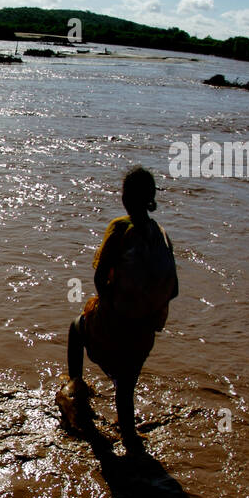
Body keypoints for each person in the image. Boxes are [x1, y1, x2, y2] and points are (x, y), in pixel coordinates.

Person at [63, 165, 178, 452]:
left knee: (77, 328)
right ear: (150, 198)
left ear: (126, 197)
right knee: (126, 385)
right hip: (146, 330)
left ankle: (77, 393)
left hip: (118, 323)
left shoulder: (120, 228)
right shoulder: (161, 234)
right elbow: (173, 289)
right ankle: (130, 437)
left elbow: (100, 278)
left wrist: (113, 309)